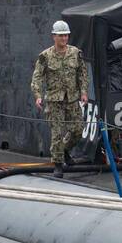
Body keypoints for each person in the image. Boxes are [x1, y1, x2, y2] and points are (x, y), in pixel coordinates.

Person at [30, 20, 88, 177]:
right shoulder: (45, 56)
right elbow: (37, 77)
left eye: (66, 36)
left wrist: (83, 92)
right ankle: (58, 164)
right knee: (56, 133)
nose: (64, 39)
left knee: (77, 130)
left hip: (72, 99)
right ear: (54, 36)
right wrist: (38, 96)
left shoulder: (76, 53)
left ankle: (64, 150)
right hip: (55, 100)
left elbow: (82, 74)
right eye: (61, 36)